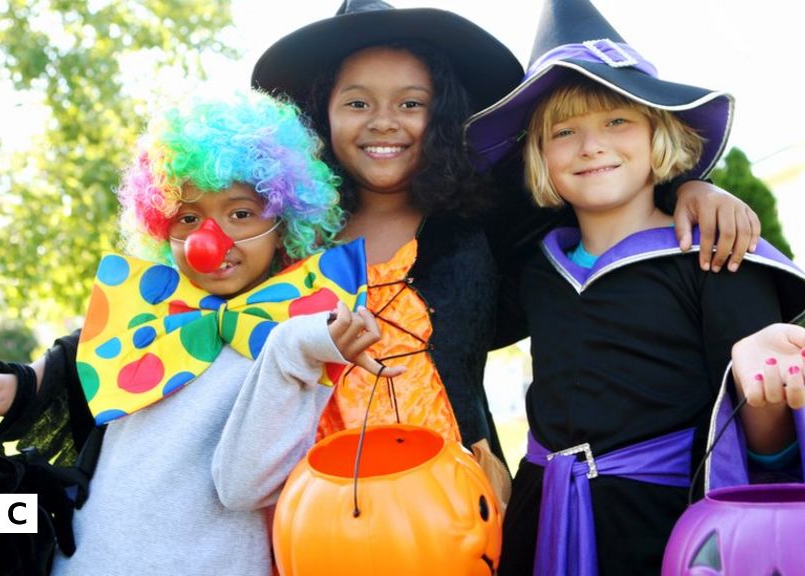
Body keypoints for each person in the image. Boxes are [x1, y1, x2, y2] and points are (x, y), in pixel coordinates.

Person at [249, 0, 762, 507]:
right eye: (357, 103)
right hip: (311, 504)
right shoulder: (285, 236)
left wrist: (689, 188)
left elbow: (594, 191)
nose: (384, 122)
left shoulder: (484, 221)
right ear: (321, 114)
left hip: (459, 507)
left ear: (443, 113)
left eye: (411, 103)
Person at [0, 89, 402, 575]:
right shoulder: (150, 317)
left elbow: (243, 487)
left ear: (284, 221)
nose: (209, 242)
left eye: (240, 213)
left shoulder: (292, 337)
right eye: (189, 218)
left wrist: (291, 352)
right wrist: (21, 384)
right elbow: (83, 371)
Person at [463, 0, 805, 573]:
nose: (592, 145)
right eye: (564, 131)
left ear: (660, 134)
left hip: (668, 528)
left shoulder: (720, 259)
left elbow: (763, 446)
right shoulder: (535, 269)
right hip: (542, 518)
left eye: (617, 120)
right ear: (539, 157)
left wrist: (769, 390)